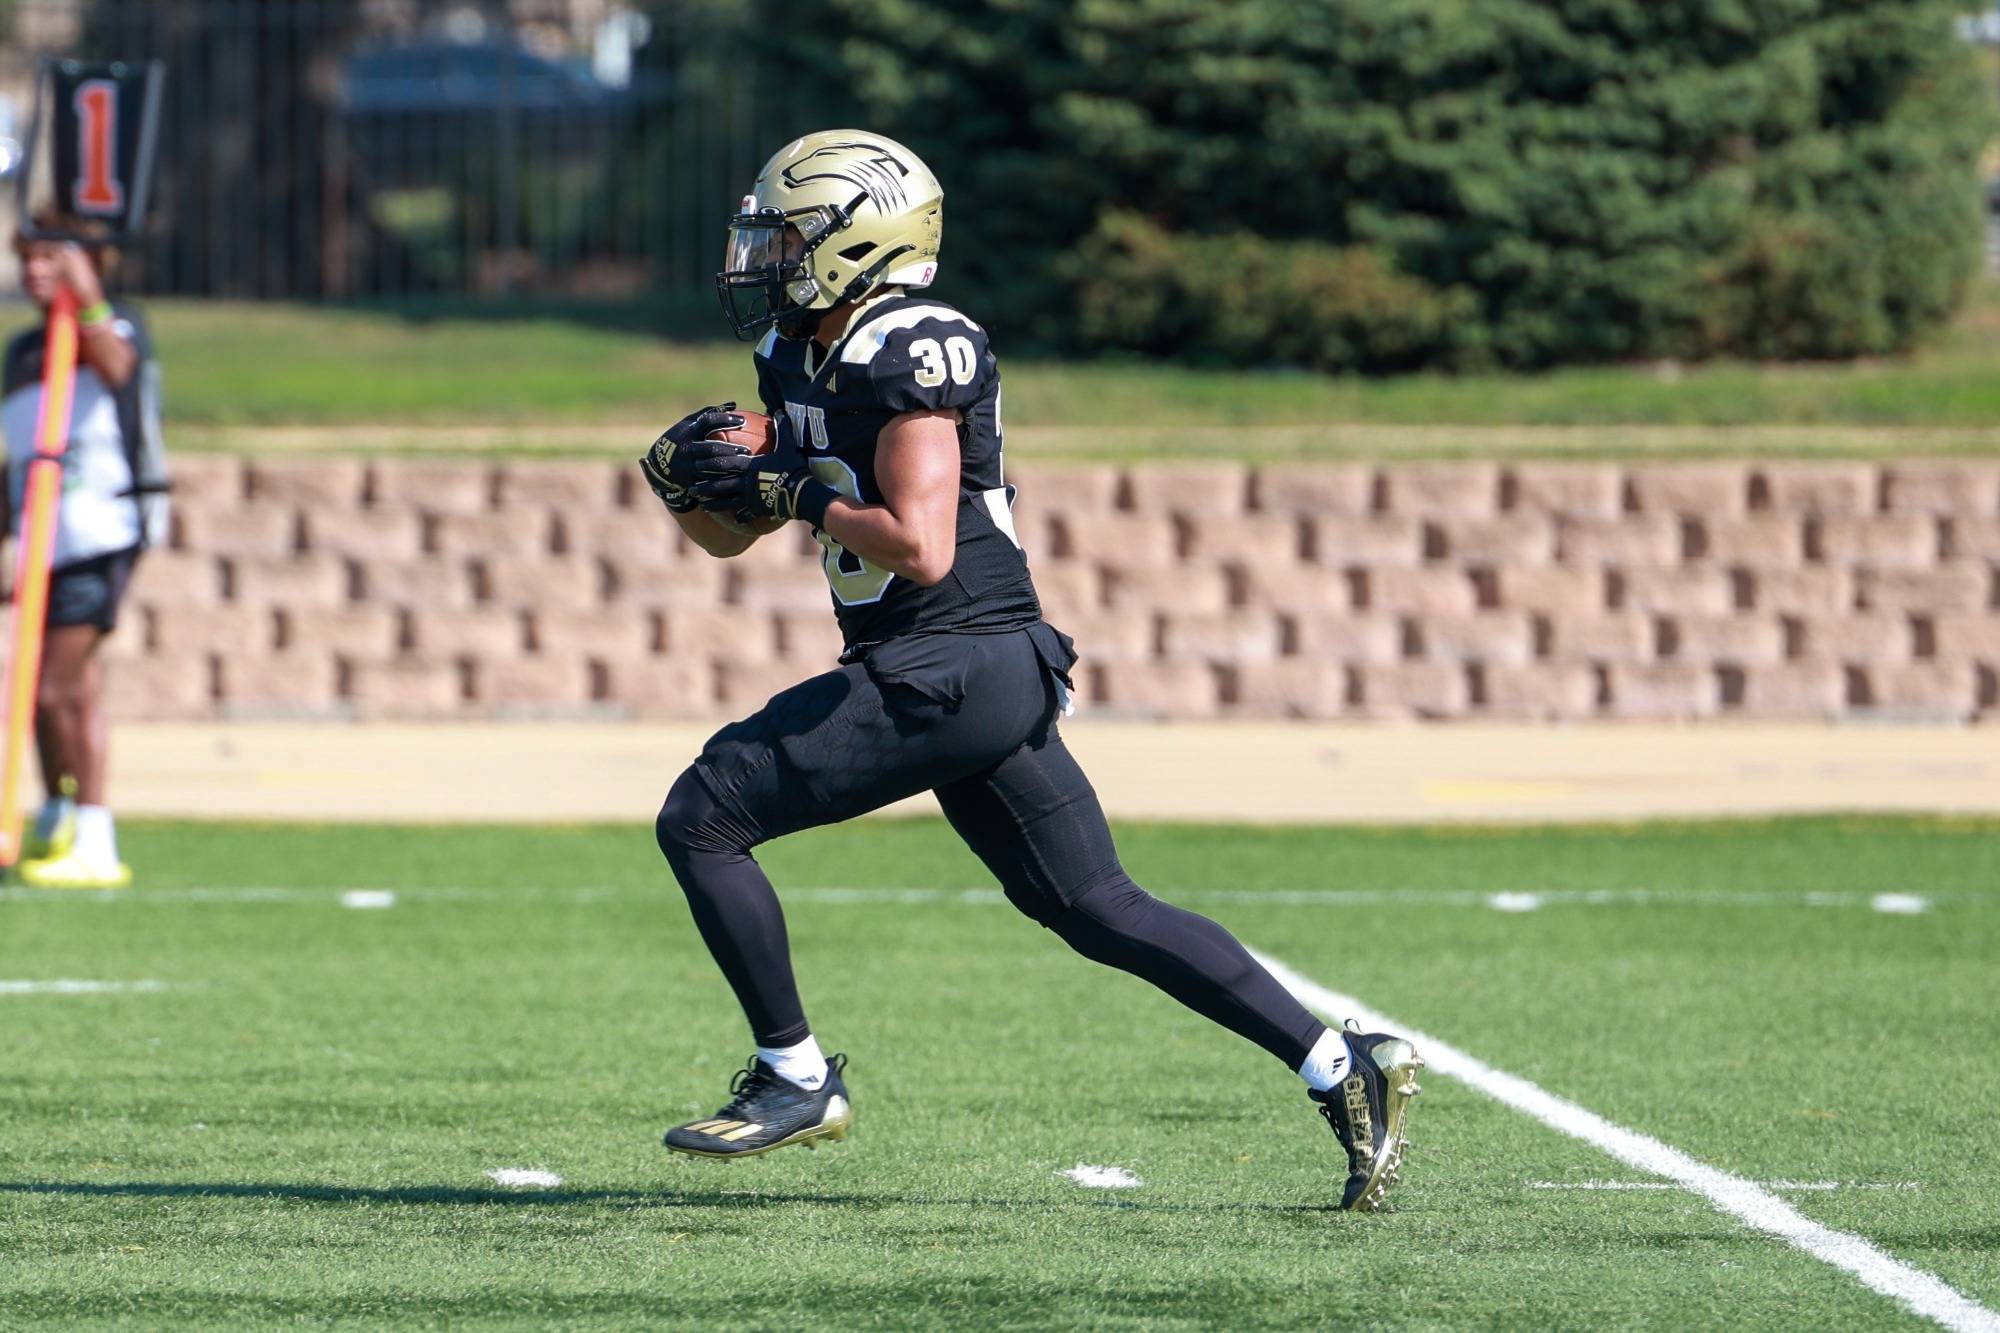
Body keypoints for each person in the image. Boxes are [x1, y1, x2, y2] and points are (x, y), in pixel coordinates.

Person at [642, 131, 1422, 1210]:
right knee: (1097, 904)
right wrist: (695, 489)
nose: (764, 262)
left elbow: (921, 546)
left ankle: (795, 1073)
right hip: (964, 669)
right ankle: (1340, 1064)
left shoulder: (910, 343)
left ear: (856, 242)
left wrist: (795, 491)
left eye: (786, 239)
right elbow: (743, 533)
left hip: (952, 659)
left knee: (703, 816)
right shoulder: (796, 351)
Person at [1, 209, 166, 889]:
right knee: (55, 690)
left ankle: (95, 834)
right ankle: (61, 815)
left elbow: (118, 367)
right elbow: (19, 456)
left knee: (53, 687)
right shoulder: (23, 351)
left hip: (102, 531)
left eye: (51, 257)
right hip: (44, 538)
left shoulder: (115, 325)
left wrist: (88, 297)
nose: (35, 271)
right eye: (28, 258)